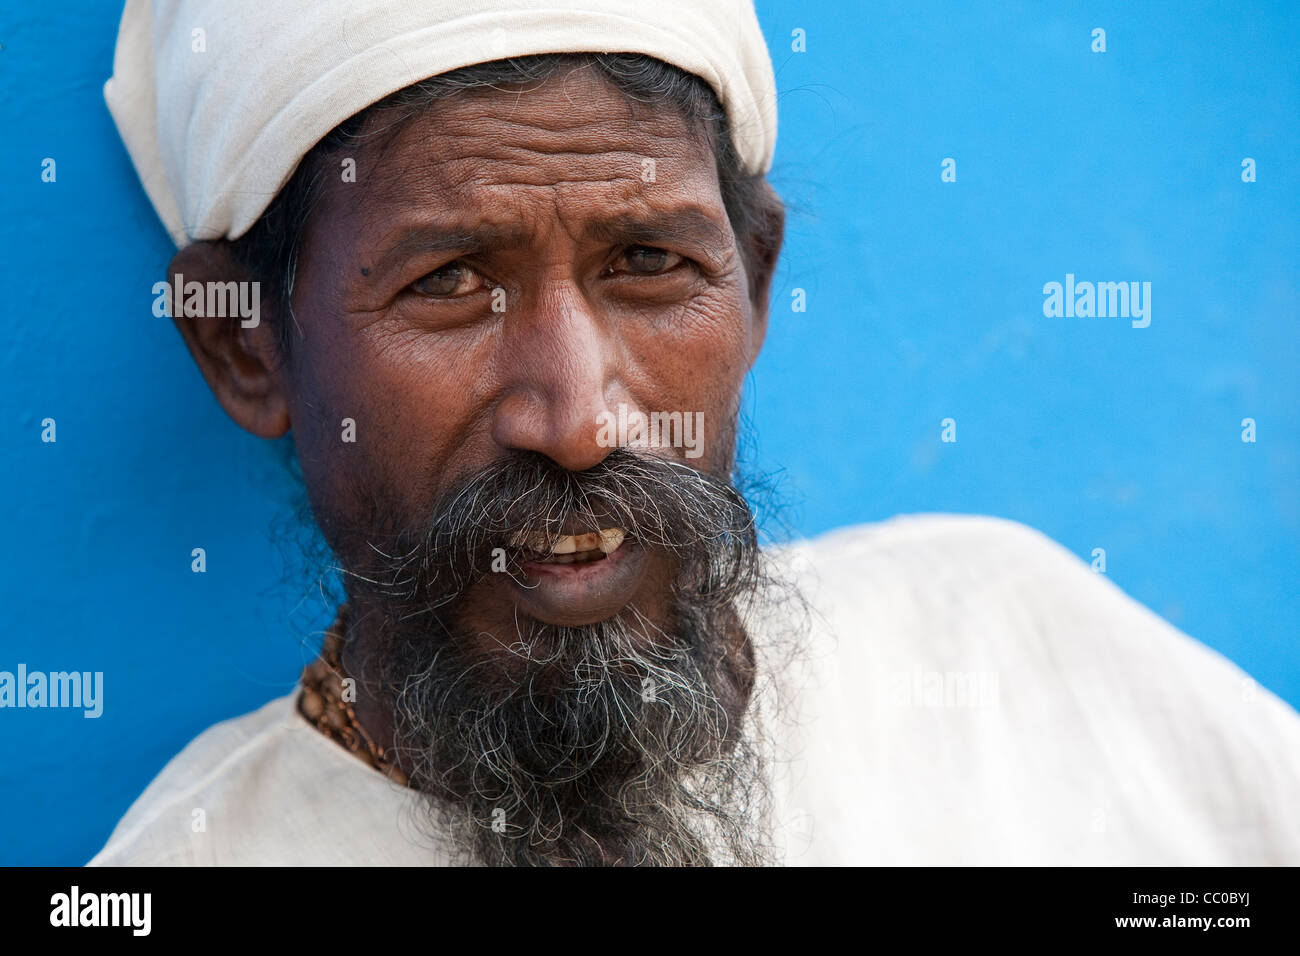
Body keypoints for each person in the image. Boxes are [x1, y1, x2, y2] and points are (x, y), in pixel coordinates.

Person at [90, 0, 1300, 866]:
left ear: (756, 281)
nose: (577, 419)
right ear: (245, 344)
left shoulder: (1012, 650)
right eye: (450, 282)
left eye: (649, 263)